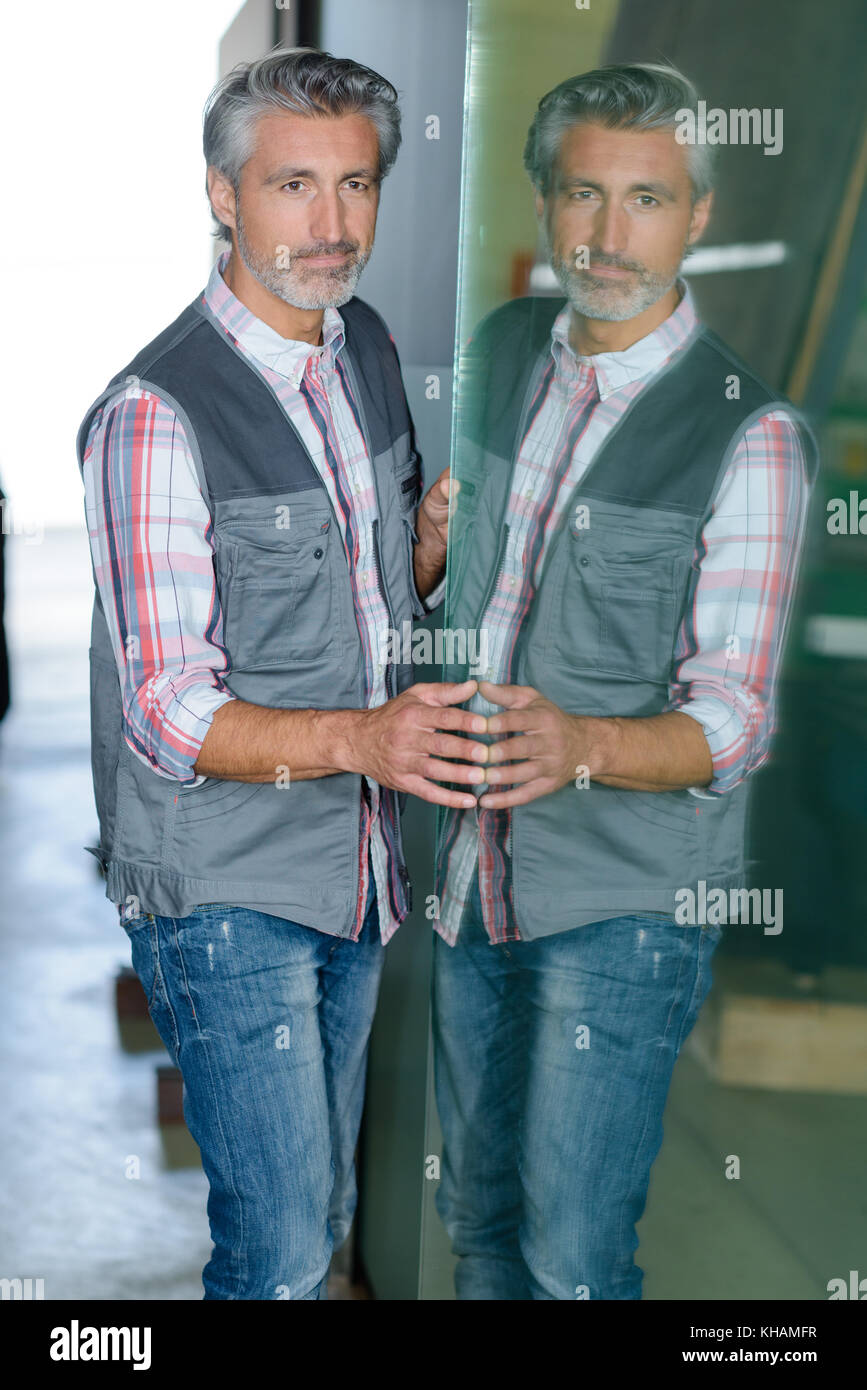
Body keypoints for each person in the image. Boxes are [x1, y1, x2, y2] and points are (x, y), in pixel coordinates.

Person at [77, 45, 486, 1301]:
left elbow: (362, 608)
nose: (331, 224)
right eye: (293, 185)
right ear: (222, 193)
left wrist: (418, 553)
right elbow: (166, 709)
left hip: (348, 865)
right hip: (219, 885)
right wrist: (369, 741)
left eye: (356, 185)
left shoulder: (356, 344)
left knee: (324, 1209)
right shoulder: (155, 415)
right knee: (279, 1248)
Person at [432, 62, 817, 1300]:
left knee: (573, 1261)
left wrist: (580, 746)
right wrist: (427, 560)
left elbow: (735, 719)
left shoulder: (745, 435)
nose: (608, 236)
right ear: (546, 202)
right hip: (470, 873)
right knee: (481, 1232)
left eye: (646, 200)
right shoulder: (496, 354)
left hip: (626, 908)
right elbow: (471, 603)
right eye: (583, 195)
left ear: (697, 215)